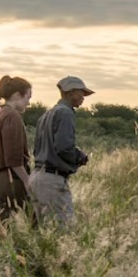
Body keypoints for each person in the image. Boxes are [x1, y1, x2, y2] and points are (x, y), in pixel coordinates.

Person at [31, 75, 93, 227]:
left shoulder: (46, 114)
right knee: (61, 233)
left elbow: (37, 149)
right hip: (52, 181)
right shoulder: (65, 113)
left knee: (43, 234)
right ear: (70, 92)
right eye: (81, 93)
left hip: (37, 178)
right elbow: (64, 147)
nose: (83, 97)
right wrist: (80, 157)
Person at [0, 75, 33, 224]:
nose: (28, 103)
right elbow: (13, 157)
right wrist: (27, 181)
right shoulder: (12, 116)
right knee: (31, 219)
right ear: (17, 95)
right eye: (27, 98)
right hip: (10, 178)